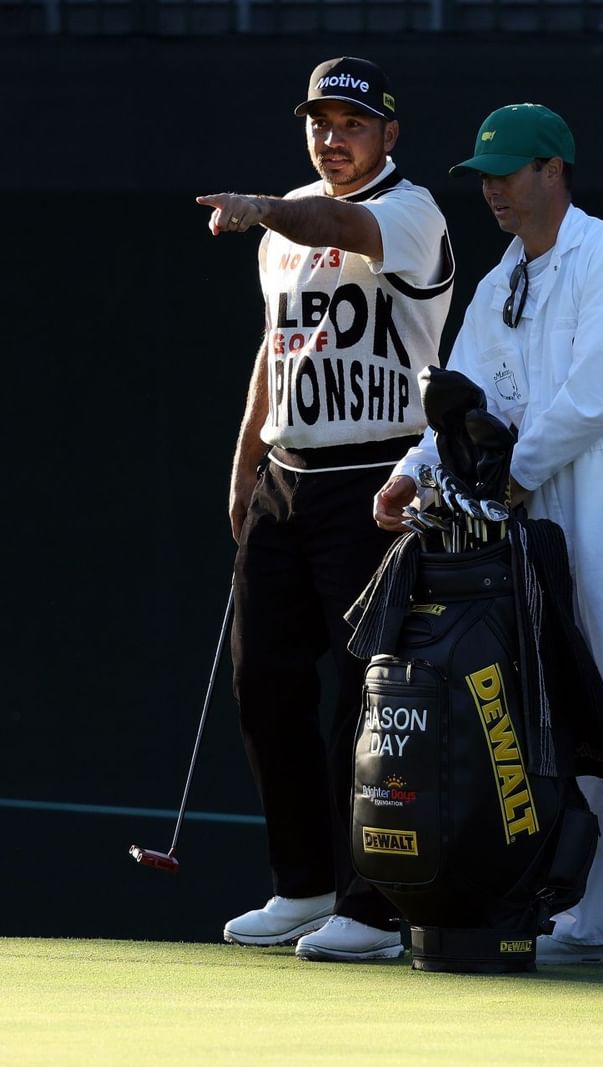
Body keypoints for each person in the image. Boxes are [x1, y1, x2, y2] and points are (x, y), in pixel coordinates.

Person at [372, 103, 603, 973]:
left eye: (509, 171)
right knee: (571, 722)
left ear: (555, 171)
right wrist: (416, 469)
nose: (493, 188)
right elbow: (463, 396)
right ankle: (598, 917)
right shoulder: (499, 285)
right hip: (545, 532)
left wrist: (514, 475)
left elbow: (599, 389)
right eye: (485, 174)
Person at [195, 56, 456, 963]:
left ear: (389, 132)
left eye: (350, 124)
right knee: (264, 683)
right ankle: (303, 884)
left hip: (379, 477)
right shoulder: (282, 229)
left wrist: (266, 206)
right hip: (289, 476)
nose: (332, 138)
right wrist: (246, 459)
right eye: (319, 122)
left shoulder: (410, 210)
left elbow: (340, 223)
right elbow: (279, 347)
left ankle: (375, 903)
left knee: (369, 696)